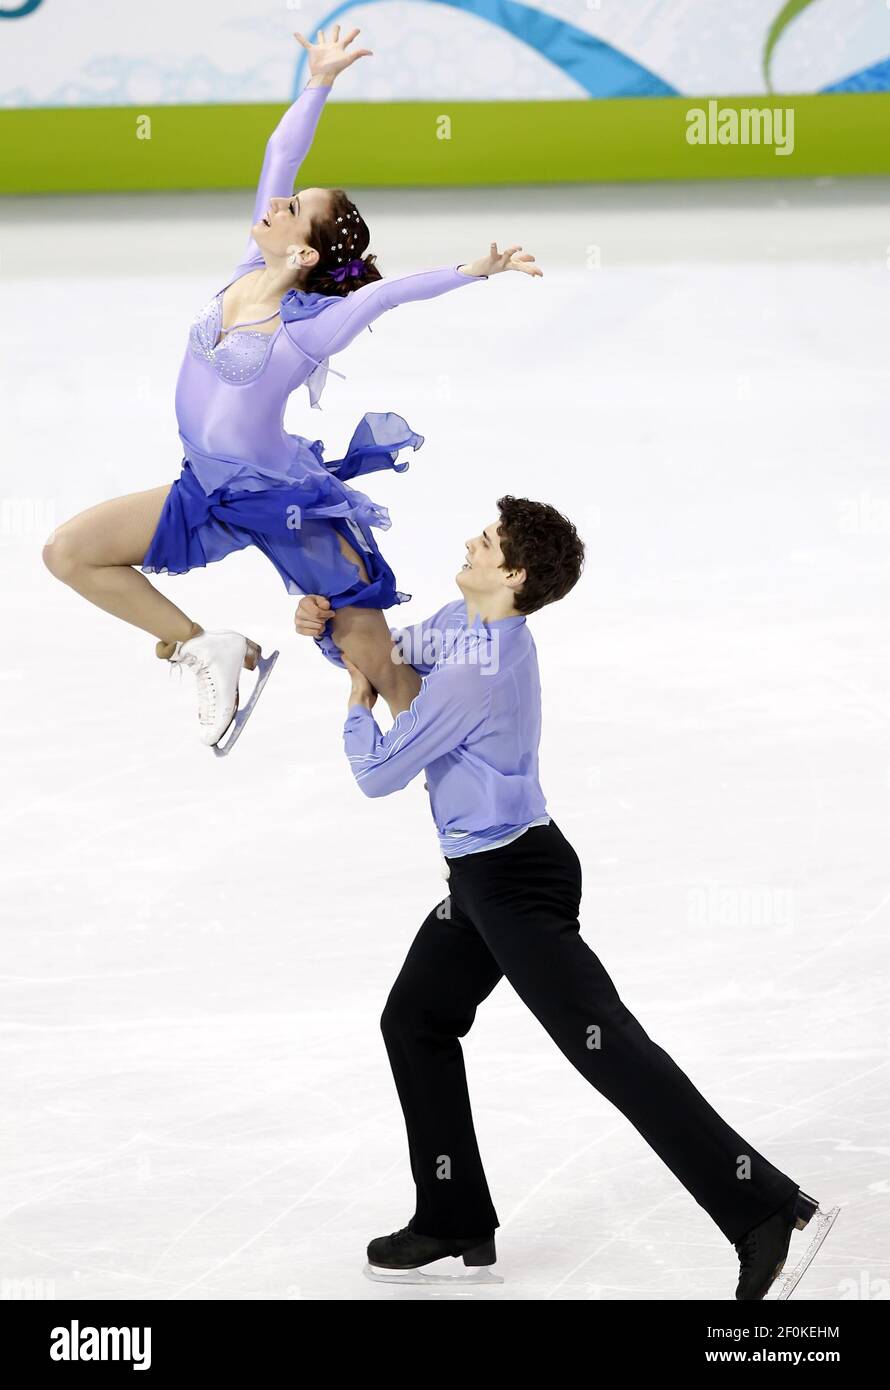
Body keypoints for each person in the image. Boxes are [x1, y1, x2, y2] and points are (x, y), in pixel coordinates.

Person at [294, 495, 839, 1298]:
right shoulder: (460, 623)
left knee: (609, 1048)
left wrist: (354, 705)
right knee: (415, 1021)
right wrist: (326, 626)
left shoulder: (483, 670)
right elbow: (386, 652)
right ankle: (453, 1216)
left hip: (516, 881)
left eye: (485, 543)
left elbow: (379, 772)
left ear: (512, 575)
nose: (470, 543)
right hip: (478, 882)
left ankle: (763, 1208)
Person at [42, 27, 541, 754]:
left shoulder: (308, 330)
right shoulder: (250, 260)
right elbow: (282, 153)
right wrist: (319, 83)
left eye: (292, 208)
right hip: (205, 489)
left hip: (288, 506)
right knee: (68, 553)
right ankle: (201, 646)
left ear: (303, 249)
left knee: (373, 658)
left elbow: (388, 297)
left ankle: (461, 782)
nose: (274, 203)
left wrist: (472, 271)